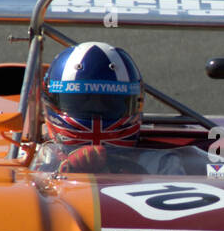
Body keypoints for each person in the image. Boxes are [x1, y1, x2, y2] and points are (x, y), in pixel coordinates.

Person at [35, 41, 203, 175]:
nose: (97, 113)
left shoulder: (160, 164)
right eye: (83, 102)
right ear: (51, 102)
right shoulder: (35, 157)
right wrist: (58, 171)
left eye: (110, 103)